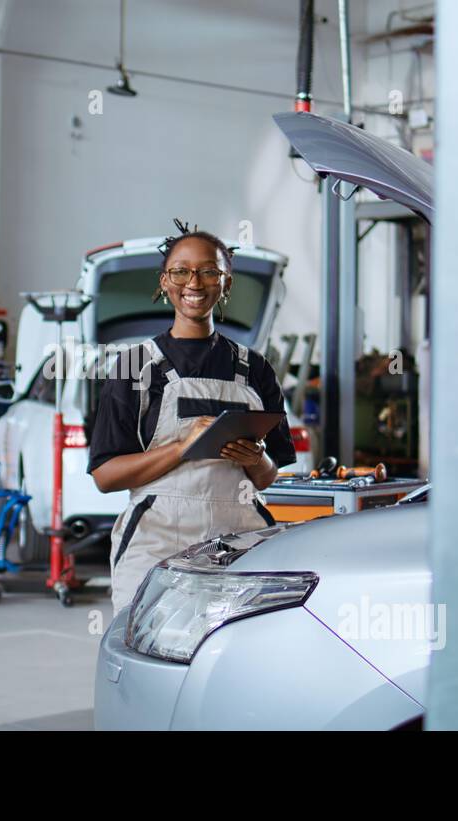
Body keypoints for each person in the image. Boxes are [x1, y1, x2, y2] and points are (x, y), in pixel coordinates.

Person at [87, 221, 296, 612]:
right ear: (165, 282)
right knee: (146, 652)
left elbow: (268, 477)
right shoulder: (136, 366)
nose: (194, 283)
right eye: (181, 271)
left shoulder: (255, 369)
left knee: (238, 651)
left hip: (241, 538)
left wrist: (257, 459)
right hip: (158, 538)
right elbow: (105, 476)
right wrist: (184, 447)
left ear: (226, 283)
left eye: (209, 271)